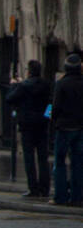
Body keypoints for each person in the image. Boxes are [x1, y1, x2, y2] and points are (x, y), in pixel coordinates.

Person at [6, 59, 51, 199]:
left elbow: (9, 99)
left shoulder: (23, 86)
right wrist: (47, 117)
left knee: (29, 158)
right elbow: (51, 103)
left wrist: (14, 85)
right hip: (42, 124)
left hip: (27, 125)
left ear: (29, 71)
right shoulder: (46, 85)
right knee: (43, 158)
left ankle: (33, 188)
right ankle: (45, 188)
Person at [51, 51, 83, 206]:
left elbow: (55, 107)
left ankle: (60, 196)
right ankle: (77, 197)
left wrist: (54, 121)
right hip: (80, 128)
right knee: (78, 163)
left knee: (60, 163)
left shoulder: (61, 84)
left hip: (64, 128)